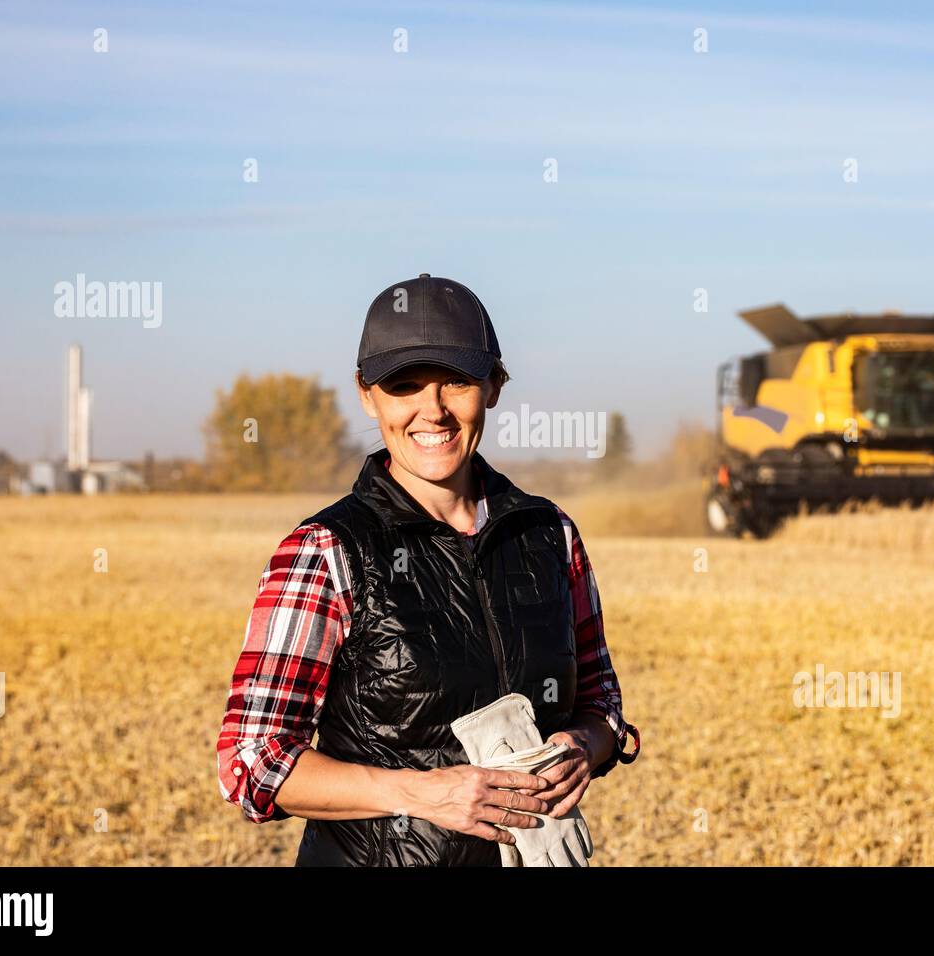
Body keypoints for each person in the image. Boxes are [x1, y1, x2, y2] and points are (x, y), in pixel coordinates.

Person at [216, 273, 640, 866]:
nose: (432, 410)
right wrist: (422, 794)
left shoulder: (550, 535)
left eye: (456, 382)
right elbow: (252, 761)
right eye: (404, 386)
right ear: (366, 395)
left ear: (494, 385)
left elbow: (601, 701)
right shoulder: (324, 551)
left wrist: (584, 746)